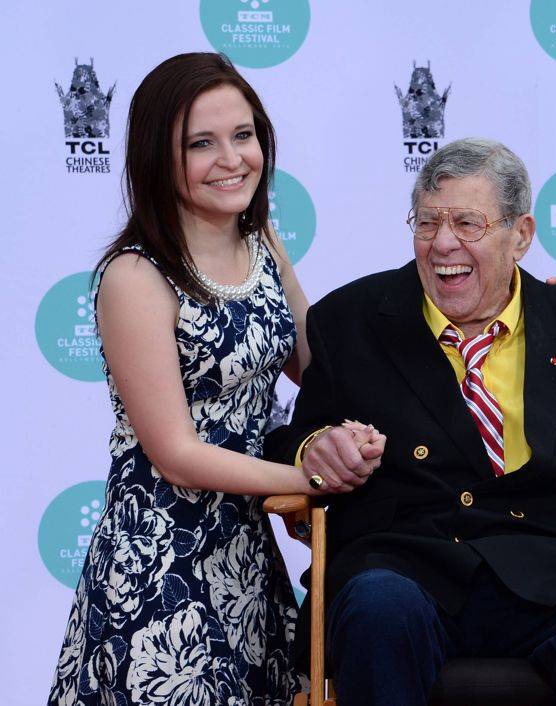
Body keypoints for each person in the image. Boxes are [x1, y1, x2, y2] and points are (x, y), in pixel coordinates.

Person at [265, 137, 556, 706]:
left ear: (521, 235)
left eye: (468, 223)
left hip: (553, 573)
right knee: (377, 608)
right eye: (427, 223)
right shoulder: (349, 319)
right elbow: (292, 439)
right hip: (405, 565)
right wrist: (313, 450)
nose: (443, 244)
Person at [46, 52, 390, 706]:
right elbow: (175, 454)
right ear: (157, 157)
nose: (232, 158)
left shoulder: (261, 242)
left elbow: (324, 366)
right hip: (158, 564)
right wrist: (308, 480)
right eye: (201, 143)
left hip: (245, 554)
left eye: (243, 134)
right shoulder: (135, 277)